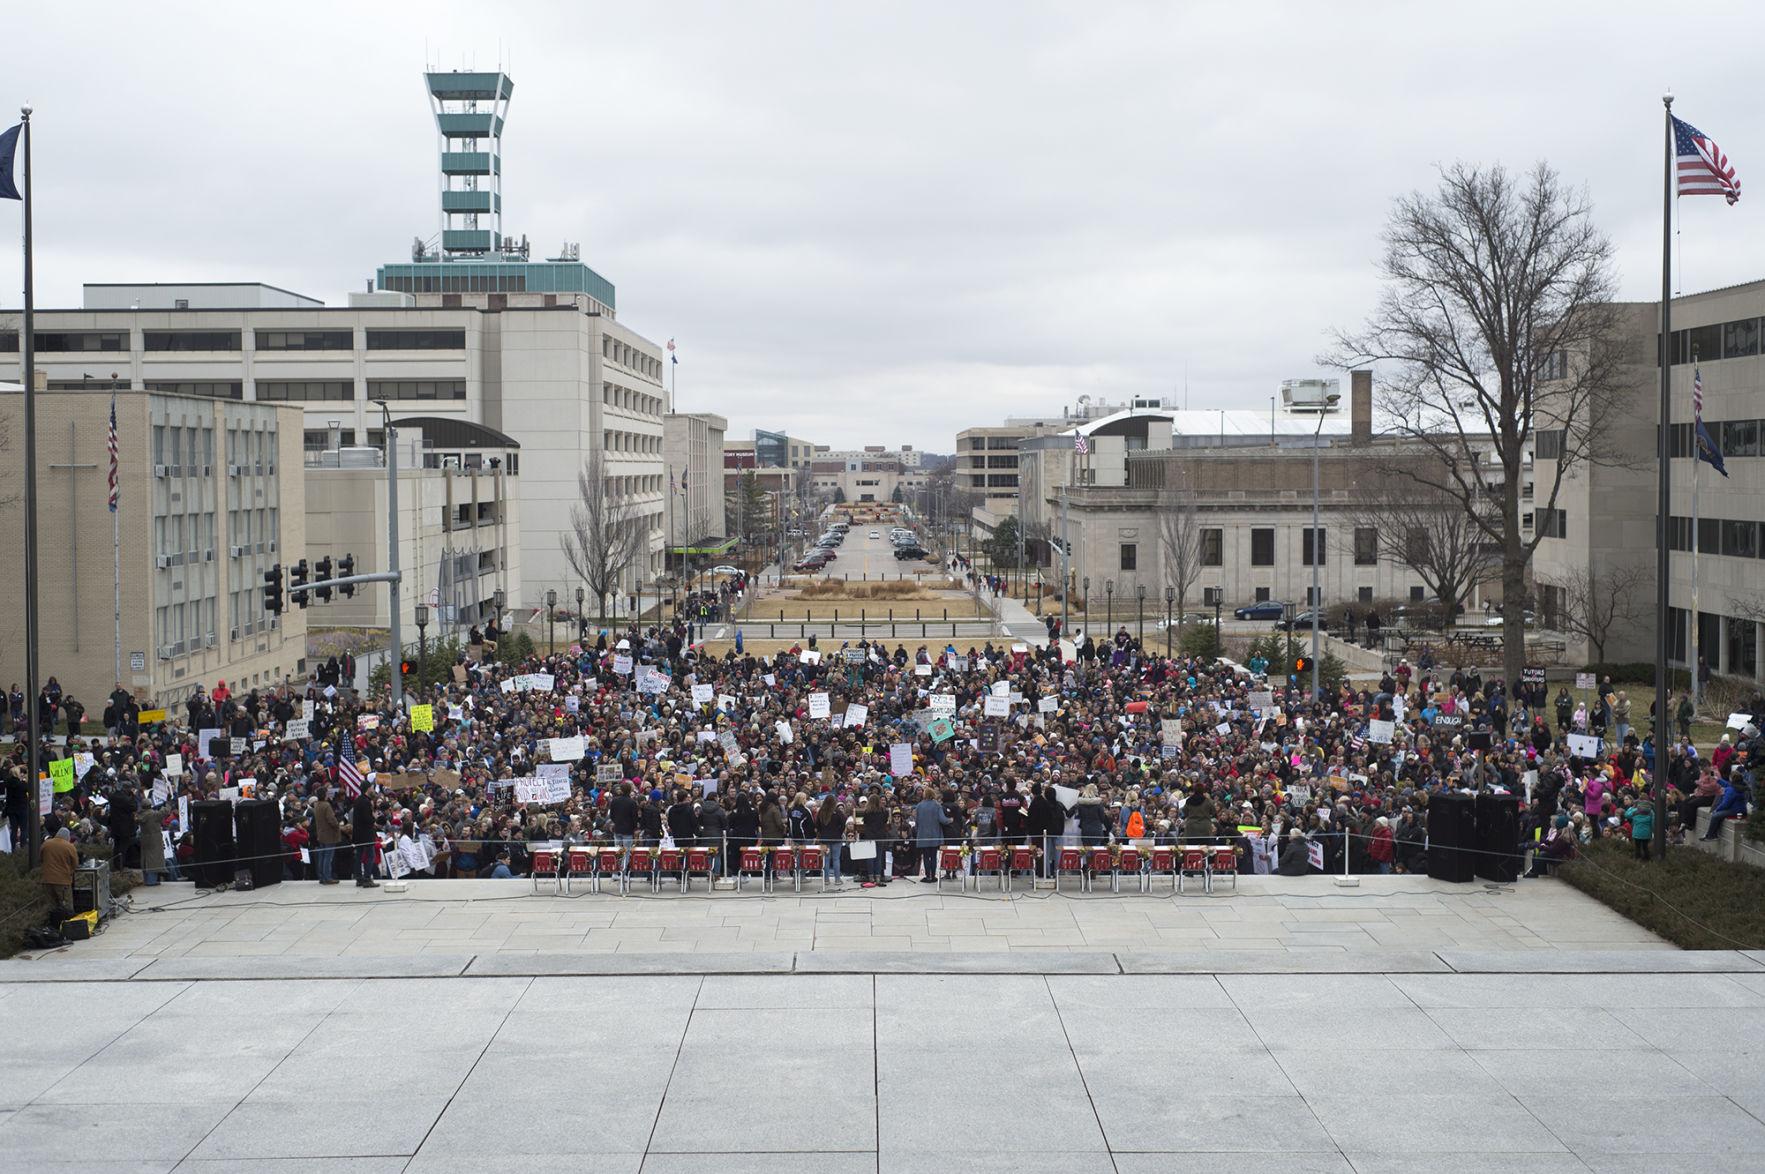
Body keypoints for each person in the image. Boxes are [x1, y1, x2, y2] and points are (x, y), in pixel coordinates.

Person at [41, 827, 79, 924]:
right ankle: (70, 927)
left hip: (47, 880)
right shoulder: (69, 846)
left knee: (50, 906)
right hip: (63, 881)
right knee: (67, 906)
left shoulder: (46, 844)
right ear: (67, 836)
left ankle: (53, 925)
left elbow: (40, 858)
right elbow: (75, 864)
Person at [913, 787, 950, 883]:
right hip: (935, 835)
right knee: (933, 856)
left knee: (925, 856)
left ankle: (927, 876)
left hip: (923, 835)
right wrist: (950, 820)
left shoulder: (919, 806)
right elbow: (942, 820)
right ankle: (933, 876)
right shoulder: (937, 805)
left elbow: (916, 822)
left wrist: (918, 831)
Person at [312, 788, 342, 884]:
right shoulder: (326, 805)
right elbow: (331, 820)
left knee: (322, 856)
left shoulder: (316, 804)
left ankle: (321, 876)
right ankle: (327, 877)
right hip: (329, 834)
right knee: (328, 857)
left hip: (321, 833)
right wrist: (338, 825)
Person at [351, 787, 379, 888]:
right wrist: (374, 817)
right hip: (366, 834)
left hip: (358, 834)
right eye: (371, 788)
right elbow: (367, 819)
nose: (372, 789)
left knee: (359, 856)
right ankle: (367, 878)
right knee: (371, 856)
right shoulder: (366, 802)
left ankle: (359, 878)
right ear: (367, 789)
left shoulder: (358, 800)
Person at [1625, 797, 1655, 862]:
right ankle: (1647, 860)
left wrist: (1632, 807)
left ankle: (1637, 859)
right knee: (1645, 847)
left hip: (1636, 833)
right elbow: (1653, 823)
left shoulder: (1635, 810)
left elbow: (1626, 815)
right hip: (1647, 833)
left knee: (1637, 847)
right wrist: (1653, 831)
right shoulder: (1651, 812)